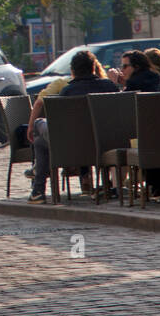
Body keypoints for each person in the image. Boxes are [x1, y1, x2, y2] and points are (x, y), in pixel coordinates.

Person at [27, 50, 118, 203]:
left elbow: (61, 124)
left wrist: (33, 125)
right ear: (93, 68)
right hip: (105, 144)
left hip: (72, 148)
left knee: (39, 133)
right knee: (40, 140)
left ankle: (38, 191)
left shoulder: (68, 91)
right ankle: (103, 183)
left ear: (73, 70)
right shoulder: (109, 86)